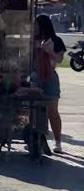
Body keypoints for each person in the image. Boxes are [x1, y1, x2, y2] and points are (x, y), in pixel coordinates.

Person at [35, 14, 67, 154]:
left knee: (52, 111)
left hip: (50, 77)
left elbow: (59, 59)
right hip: (35, 76)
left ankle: (58, 141)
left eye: (36, 25)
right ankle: (36, 138)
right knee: (34, 111)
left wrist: (48, 51)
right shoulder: (33, 40)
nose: (34, 27)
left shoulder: (55, 40)